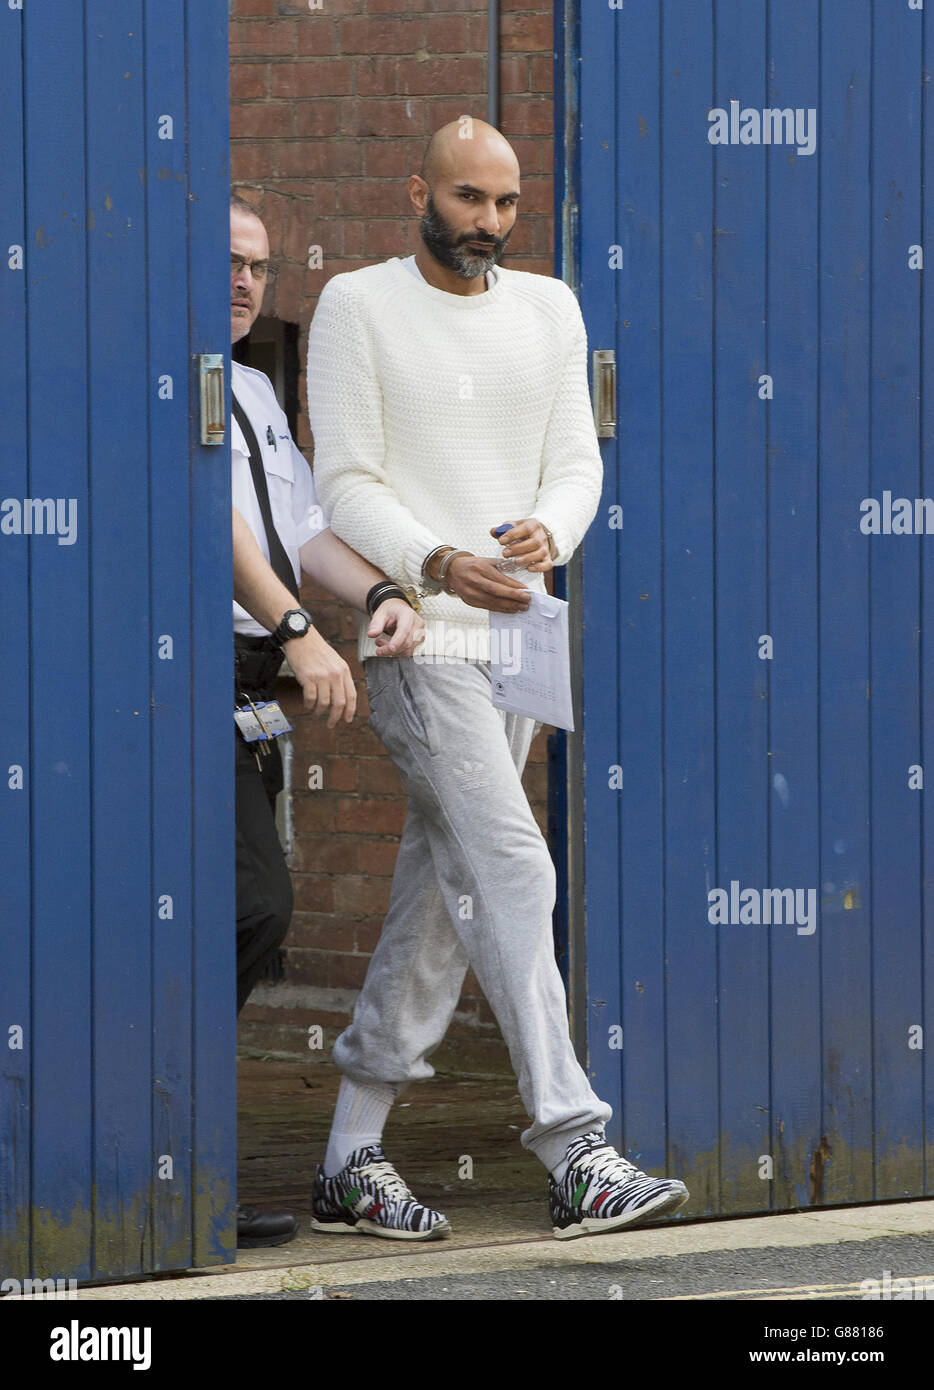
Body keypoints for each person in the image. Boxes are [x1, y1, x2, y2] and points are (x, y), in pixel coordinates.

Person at [304, 121, 690, 1241]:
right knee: (514, 863)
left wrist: (545, 532)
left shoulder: (551, 308)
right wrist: (435, 562)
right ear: (416, 188)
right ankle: (575, 1146)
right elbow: (344, 481)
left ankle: (348, 1156)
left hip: (519, 638)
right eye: (469, 199)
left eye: (508, 204)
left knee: (445, 893)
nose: (489, 223)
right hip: (422, 639)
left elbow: (575, 459)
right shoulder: (355, 304)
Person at [228, 194, 424, 1247]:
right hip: (181, 675)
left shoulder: (254, 384)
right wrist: (301, 629)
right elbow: (206, 521)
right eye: (223, 258)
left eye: (258, 264)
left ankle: (180, 1156)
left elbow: (300, 524)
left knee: (246, 913)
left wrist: (379, 593)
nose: (245, 279)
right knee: (250, 904)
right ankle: (152, 1152)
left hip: (253, 674)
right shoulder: (158, 374)